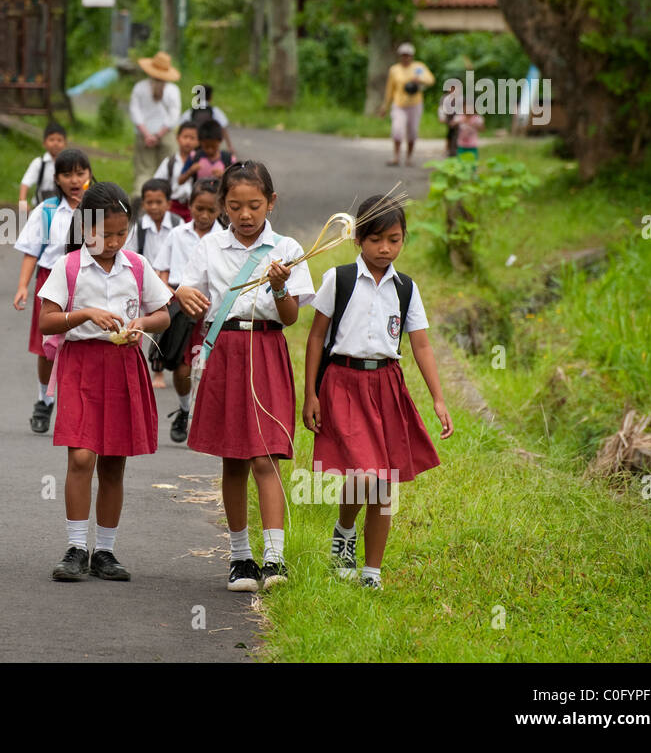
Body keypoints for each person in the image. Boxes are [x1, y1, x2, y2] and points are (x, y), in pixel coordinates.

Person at [175, 162, 315, 592]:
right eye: (235, 206)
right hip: (227, 354)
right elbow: (189, 296)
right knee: (233, 458)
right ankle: (240, 557)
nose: (246, 215)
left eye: (255, 205)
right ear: (223, 206)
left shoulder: (287, 247)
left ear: (271, 202)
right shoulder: (209, 247)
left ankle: (274, 558)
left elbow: (290, 317)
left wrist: (278, 287)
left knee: (265, 456)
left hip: (267, 350)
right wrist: (180, 293)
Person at [302, 196, 453, 591]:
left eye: (394, 239)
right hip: (344, 384)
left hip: (386, 385)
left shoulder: (406, 288)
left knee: (383, 480)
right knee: (363, 473)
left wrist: (438, 399)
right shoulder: (340, 279)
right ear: (358, 240)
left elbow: (420, 345)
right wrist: (310, 394)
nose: (385, 249)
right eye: (375, 240)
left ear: (403, 240)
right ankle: (345, 530)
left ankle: (372, 572)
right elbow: (316, 336)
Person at [38, 182, 172, 582]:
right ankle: (76, 547)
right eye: (104, 234)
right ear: (84, 228)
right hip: (82, 365)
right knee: (81, 456)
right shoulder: (70, 267)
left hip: (124, 366)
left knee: (114, 462)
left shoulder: (136, 264)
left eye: (120, 233)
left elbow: (163, 313)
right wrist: (86, 314)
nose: (113, 242)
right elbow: (47, 320)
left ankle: (106, 552)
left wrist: (141, 324)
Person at [12, 148, 93, 434]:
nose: (74, 180)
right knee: (47, 347)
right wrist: (23, 286)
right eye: (67, 174)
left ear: (90, 176)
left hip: (87, 281)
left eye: (80, 173)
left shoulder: (99, 211)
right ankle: (44, 399)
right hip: (50, 282)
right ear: (56, 179)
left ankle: (79, 403)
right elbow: (32, 253)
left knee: (84, 343)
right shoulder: (46, 211)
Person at [152, 178, 223, 442]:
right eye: (198, 208)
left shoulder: (224, 239)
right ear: (189, 206)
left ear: (220, 210)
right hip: (181, 309)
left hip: (213, 310)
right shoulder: (176, 235)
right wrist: (170, 294)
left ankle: (205, 420)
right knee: (181, 369)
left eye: (211, 210)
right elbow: (161, 271)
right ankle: (184, 409)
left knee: (209, 369)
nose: (204, 215)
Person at [125, 177, 182, 389]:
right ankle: (150, 368)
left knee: (164, 325)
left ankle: (161, 368)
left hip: (171, 283)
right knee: (140, 325)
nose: (154, 207)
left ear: (168, 203)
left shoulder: (178, 225)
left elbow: (183, 254)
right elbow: (130, 254)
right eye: (149, 202)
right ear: (143, 203)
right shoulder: (138, 227)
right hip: (144, 282)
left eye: (159, 202)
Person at [129, 52, 181, 199]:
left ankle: (140, 199)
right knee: (168, 171)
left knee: (144, 171)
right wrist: (159, 134)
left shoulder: (139, 87)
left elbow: (135, 111)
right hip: (166, 136)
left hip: (144, 136)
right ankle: (164, 200)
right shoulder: (173, 90)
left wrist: (147, 134)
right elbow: (174, 116)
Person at [379, 42, 435, 167]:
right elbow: (390, 89)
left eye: (408, 55)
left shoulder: (418, 67)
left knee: (412, 132)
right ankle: (396, 156)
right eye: (403, 55)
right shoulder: (394, 70)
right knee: (397, 130)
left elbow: (430, 80)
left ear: (412, 56)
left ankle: (409, 158)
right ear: (400, 56)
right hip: (399, 104)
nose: (406, 58)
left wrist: (419, 79)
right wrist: (385, 106)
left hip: (415, 104)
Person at [18, 121, 68, 212]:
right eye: (51, 140)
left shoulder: (68, 164)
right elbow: (26, 182)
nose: (55, 143)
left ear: (65, 144)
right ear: (44, 143)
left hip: (62, 207)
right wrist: (22, 201)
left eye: (59, 140)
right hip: (40, 207)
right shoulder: (39, 163)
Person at [155, 120, 198, 222]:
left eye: (192, 138)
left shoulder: (199, 164)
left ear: (198, 141)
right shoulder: (169, 163)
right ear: (178, 138)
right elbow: (157, 183)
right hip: (172, 206)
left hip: (193, 207)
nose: (188, 141)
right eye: (185, 137)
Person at [180, 84, 237, 160]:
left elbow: (181, 126)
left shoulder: (190, 111)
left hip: (194, 144)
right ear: (210, 97)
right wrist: (229, 146)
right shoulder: (214, 111)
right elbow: (223, 127)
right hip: (210, 143)